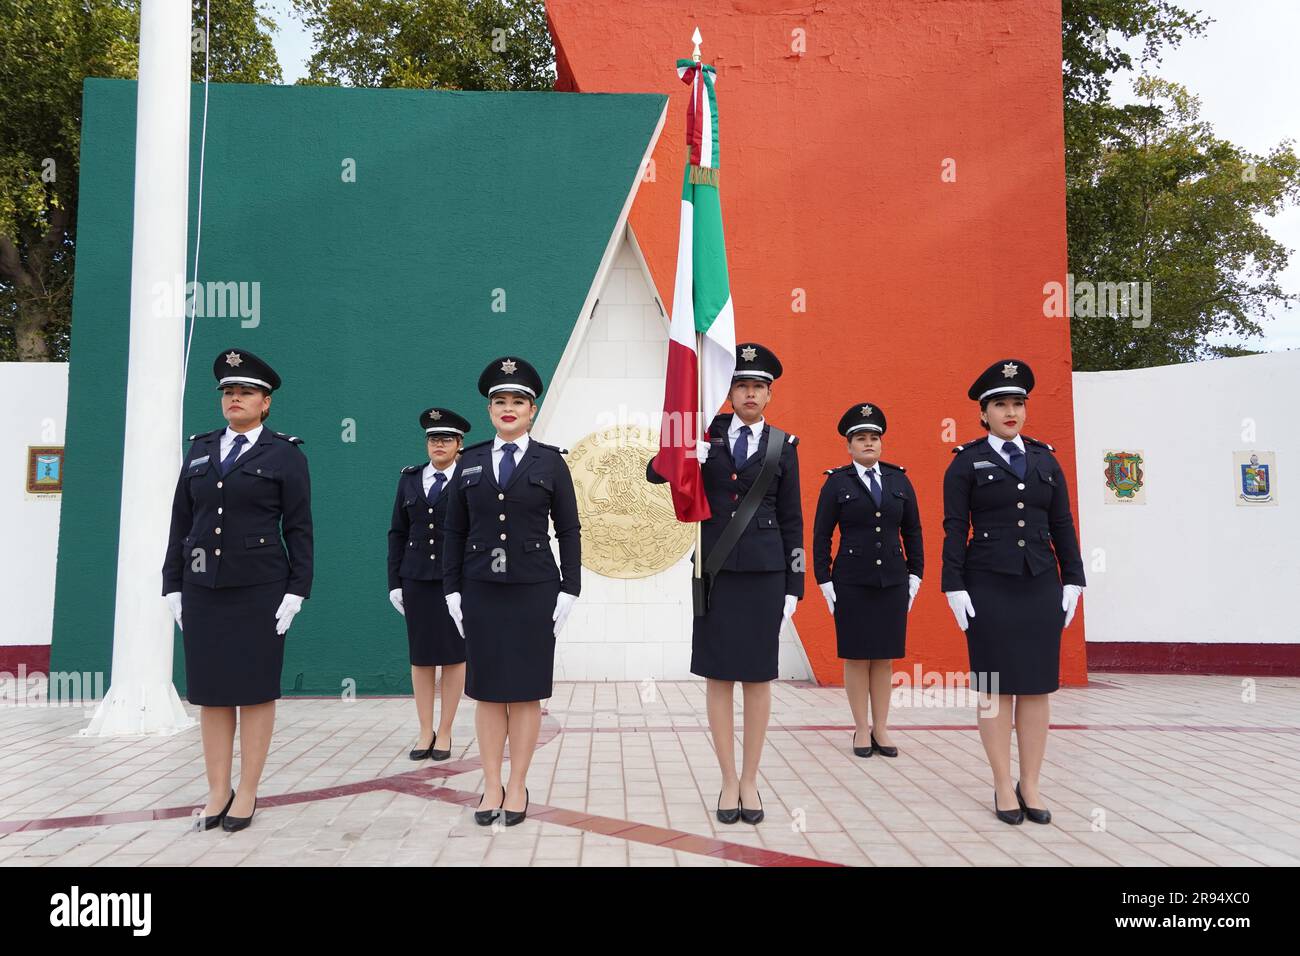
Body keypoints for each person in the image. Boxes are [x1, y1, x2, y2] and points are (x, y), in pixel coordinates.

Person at [647, 342, 803, 825]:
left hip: (763, 572)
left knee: (757, 678)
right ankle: (727, 778)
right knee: (719, 676)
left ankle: (751, 780)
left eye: (758, 386)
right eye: (741, 385)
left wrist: (795, 582)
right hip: (713, 570)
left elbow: (794, 518)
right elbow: (654, 473)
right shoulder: (702, 433)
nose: (750, 393)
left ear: (769, 394)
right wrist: (683, 451)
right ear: (728, 391)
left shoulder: (784, 446)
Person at [162, 348, 312, 832]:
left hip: (261, 590)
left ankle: (247, 790)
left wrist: (297, 589)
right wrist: (173, 584)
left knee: (254, 691)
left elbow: (300, 527)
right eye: (228, 392)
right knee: (212, 693)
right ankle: (216, 789)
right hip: (203, 587)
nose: (235, 399)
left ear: (265, 402)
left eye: (245, 392)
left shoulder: (285, 454)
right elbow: (181, 520)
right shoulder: (201, 449)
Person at [941, 358, 1085, 825]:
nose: (1011, 412)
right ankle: (1003, 782)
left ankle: (1033, 783)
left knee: (1037, 688)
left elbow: (1062, 523)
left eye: (1018, 403)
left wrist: (1074, 578)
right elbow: (954, 527)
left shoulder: (1045, 459)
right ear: (983, 413)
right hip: (987, 587)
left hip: (1040, 583)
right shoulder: (965, 463)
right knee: (996, 689)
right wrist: (953, 585)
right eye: (1000, 404)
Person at [440, 356, 580, 827]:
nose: (508, 408)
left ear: (532, 409)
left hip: (534, 589)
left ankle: (517, 783)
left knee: (523, 693)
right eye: (500, 400)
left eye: (517, 401)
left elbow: (570, 529)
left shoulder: (551, 462)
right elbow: (453, 531)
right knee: (486, 692)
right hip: (480, 589)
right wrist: (451, 590)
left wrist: (571, 589)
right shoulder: (471, 461)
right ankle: (491, 783)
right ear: (489, 409)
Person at [813, 402, 923, 759]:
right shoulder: (836, 483)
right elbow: (821, 535)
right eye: (861, 438)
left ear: (882, 443)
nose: (869, 443)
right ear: (849, 446)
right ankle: (861, 727)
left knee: (886, 658)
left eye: (874, 437)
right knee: (858, 657)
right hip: (852, 581)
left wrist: (916, 573)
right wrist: (824, 579)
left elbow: (913, 530)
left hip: (892, 579)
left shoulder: (899, 480)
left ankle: (882, 727)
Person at [387, 407, 471, 761]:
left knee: (453, 656)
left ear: (459, 444)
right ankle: (425, 730)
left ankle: (447, 730)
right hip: (416, 578)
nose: (439, 444)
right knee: (421, 658)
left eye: (446, 438)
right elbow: (397, 532)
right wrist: (395, 582)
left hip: (456, 581)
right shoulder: (409, 479)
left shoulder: (470, 477)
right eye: (433, 438)